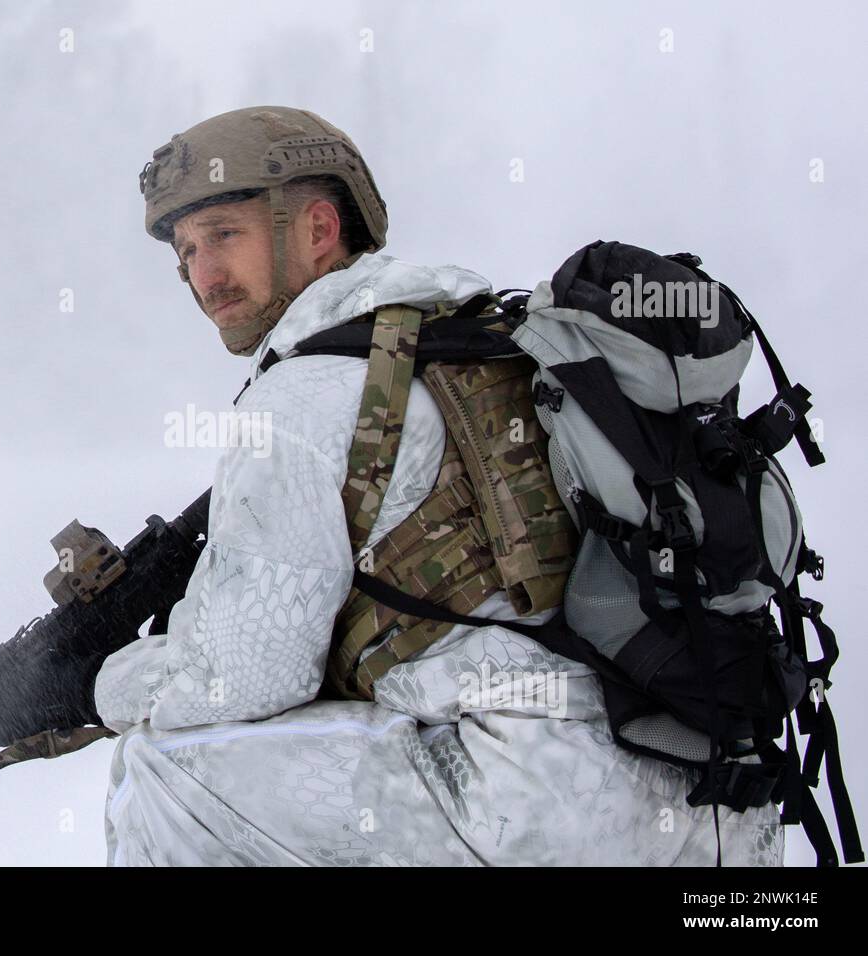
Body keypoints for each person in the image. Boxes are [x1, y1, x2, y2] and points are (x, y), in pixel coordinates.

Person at [92, 105, 784, 866]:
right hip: (712, 795)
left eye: (224, 234)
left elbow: (241, 679)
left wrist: (107, 683)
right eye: (186, 252)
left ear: (319, 229)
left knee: (163, 770)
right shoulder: (498, 342)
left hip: (532, 807)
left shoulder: (296, 401)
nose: (204, 275)